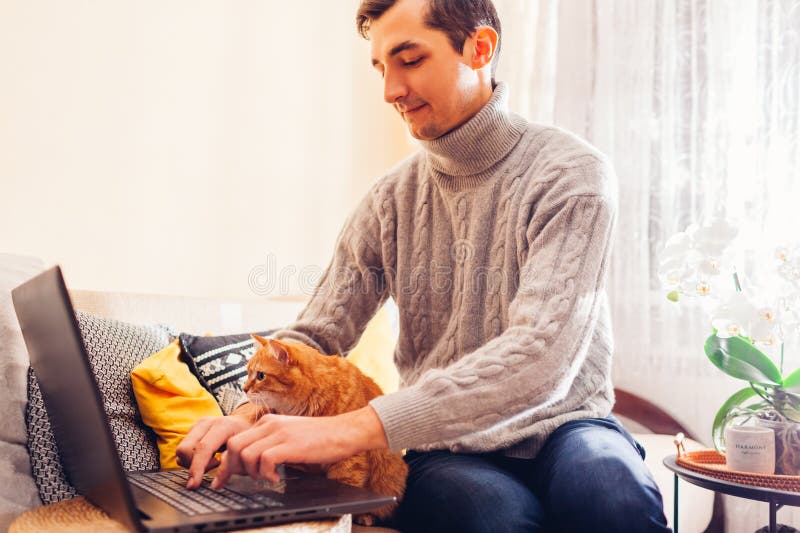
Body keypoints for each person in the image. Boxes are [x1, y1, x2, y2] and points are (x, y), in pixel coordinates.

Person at [177, 0, 671, 531]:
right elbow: (315, 338)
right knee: (494, 517)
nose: (390, 91)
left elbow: (540, 356)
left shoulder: (571, 174)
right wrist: (249, 412)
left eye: (409, 60)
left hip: (569, 425)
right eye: (381, 69)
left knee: (611, 493)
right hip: (447, 446)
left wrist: (355, 428)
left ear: (479, 49)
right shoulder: (388, 202)